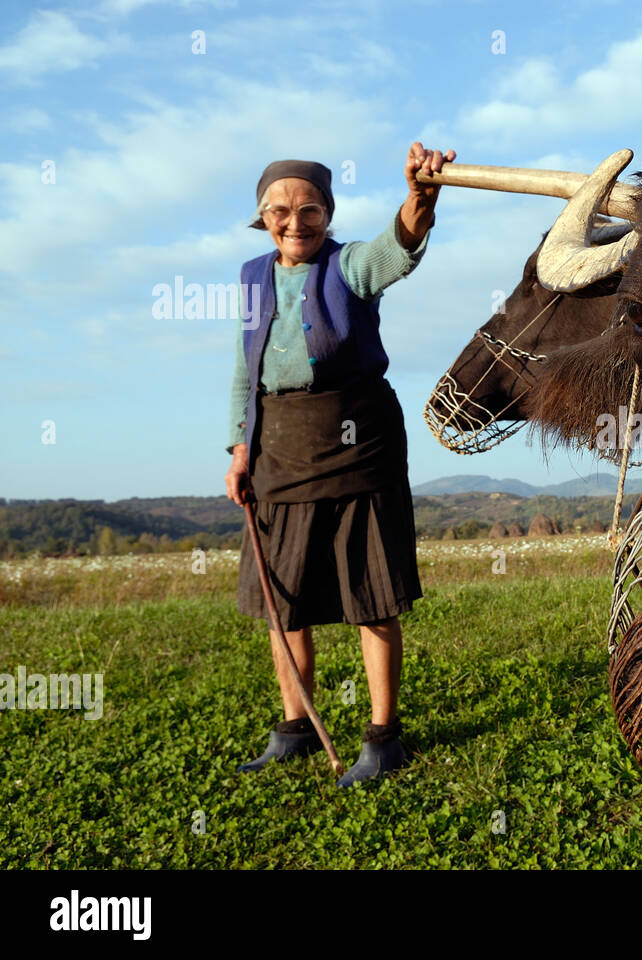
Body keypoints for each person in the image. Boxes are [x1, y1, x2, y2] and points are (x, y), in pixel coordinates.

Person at [224, 143, 455, 787]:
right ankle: (295, 728)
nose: (294, 223)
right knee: (285, 601)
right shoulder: (251, 277)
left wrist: (420, 201)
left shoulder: (346, 266)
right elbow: (246, 371)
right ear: (261, 216)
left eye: (310, 211)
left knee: (371, 595)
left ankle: (383, 739)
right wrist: (239, 449)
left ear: (328, 214)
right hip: (279, 448)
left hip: (359, 444)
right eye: (279, 211)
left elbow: (394, 249)